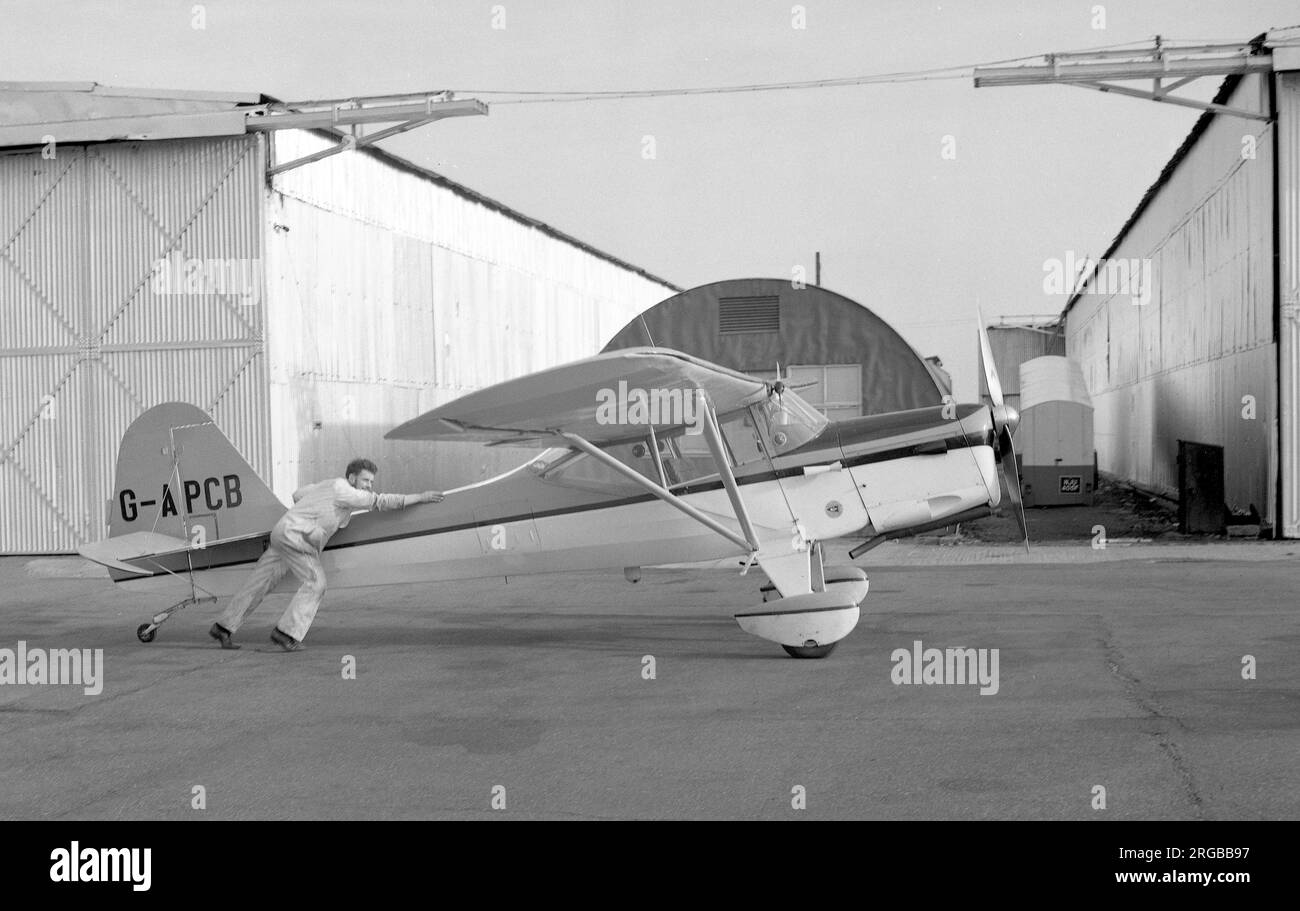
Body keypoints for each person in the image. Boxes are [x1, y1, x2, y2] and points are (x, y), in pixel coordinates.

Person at [209, 459, 443, 651]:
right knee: (316, 584)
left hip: (281, 533)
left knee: (258, 584)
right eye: (365, 480)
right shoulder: (345, 491)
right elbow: (380, 501)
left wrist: (316, 512)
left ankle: (223, 628)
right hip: (298, 539)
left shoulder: (329, 485)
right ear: (352, 478)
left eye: (371, 481)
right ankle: (286, 633)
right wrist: (421, 497)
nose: (369, 485)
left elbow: (298, 494)